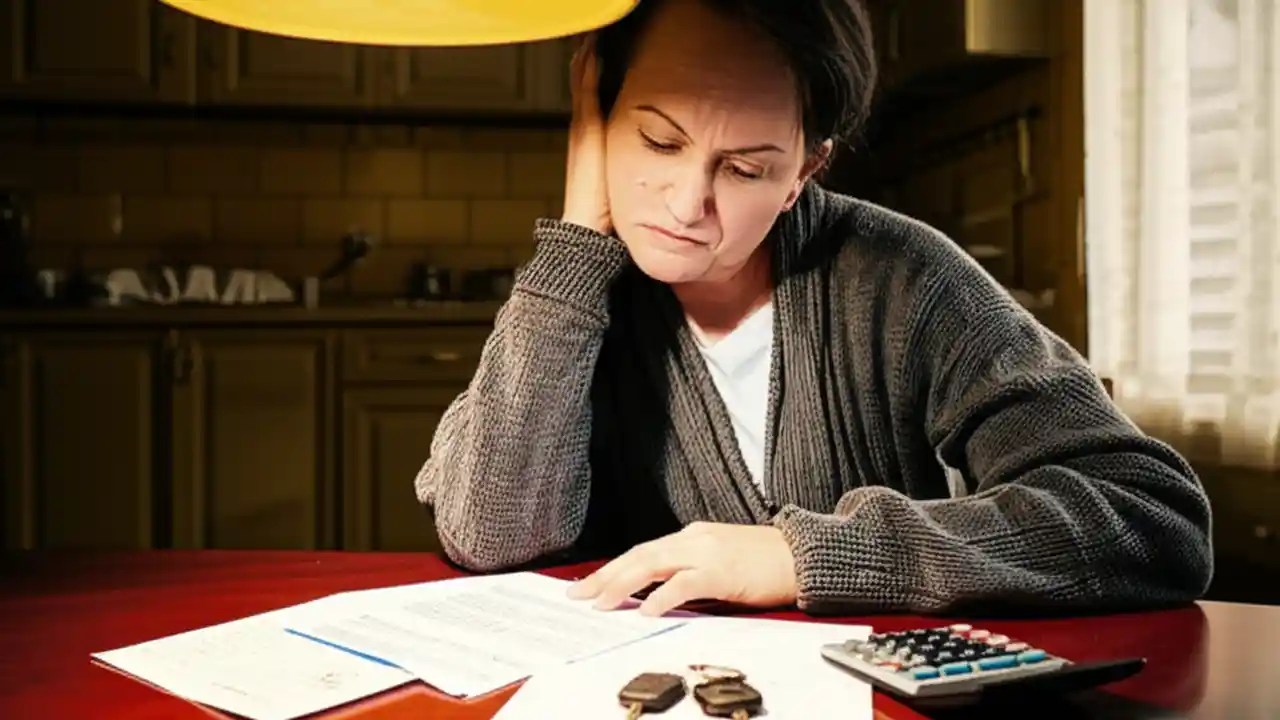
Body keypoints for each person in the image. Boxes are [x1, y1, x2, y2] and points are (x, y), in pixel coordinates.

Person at [415, 0, 1213, 618]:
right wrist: (576, 248)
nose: (688, 203)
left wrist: (807, 557)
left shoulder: (903, 276)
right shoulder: (574, 295)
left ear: (804, 169)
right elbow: (493, 533)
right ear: (596, 120)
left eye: (746, 169)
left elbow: (1153, 519)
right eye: (657, 142)